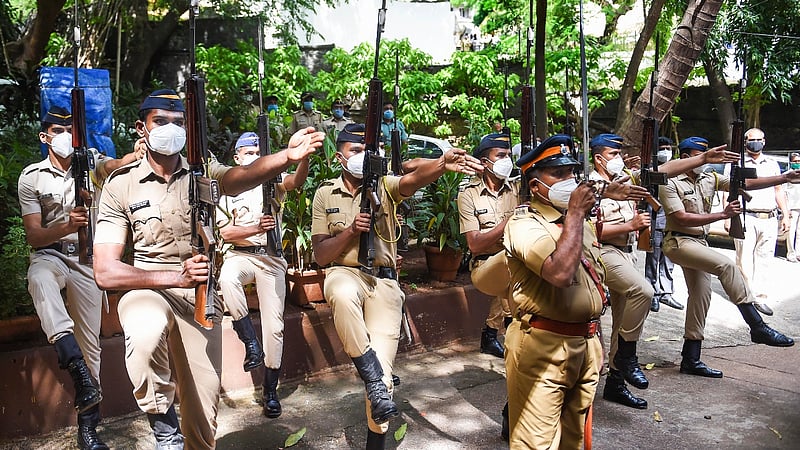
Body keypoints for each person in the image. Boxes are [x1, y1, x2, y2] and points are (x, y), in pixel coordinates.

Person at [92, 89, 324, 449]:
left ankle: (187, 436)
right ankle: (165, 429)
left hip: (200, 296)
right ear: (142, 128)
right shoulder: (120, 185)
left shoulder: (202, 173)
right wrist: (175, 276)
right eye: (161, 122)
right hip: (147, 288)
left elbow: (239, 176)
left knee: (203, 419)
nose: (171, 128)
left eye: (179, 122)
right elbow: (105, 272)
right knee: (145, 330)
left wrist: (287, 157)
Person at [311, 123, 481, 449]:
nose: (362, 156)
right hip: (346, 273)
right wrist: (349, 232)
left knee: (385, 385)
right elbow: (320, 255)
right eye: (354, 150)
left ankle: (376, 425)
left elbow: (412, 180)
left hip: (385, 282)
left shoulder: (384, 187)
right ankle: (372, 377)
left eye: (367, 150)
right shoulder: (324, 193)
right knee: (342, 293)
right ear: (339, 156)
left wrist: (441, 165)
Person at [503, 134, 649, 448]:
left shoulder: (578, 222)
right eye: (558, 174)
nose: (568, 180)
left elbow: (591, 283)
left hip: (584, 344)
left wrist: (592, 342)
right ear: (534, 186)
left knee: (573, 440)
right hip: (542, 345)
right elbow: (558, 272)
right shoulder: (524, 223)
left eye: (571, 172)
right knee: (536, 443)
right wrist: (575, 214)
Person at [18, 106, 142, 450]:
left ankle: (88, 428)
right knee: (39, 279)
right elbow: (34, 236)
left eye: (71, 130)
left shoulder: (89, 162)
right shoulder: (32, 177)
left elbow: (114, 165)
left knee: (93, 348)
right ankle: (70, 359)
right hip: (51, 254)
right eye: (59, 130)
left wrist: (138, 153)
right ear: (45, 137)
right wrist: (67, 226)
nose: (66, 137)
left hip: (87, 261)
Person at [589, 133, 736, 410]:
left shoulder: (626, 179)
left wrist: (703, 159)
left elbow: (661, 171)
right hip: (601, 251)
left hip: (626, 253)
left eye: (621, 153)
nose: (619, 159)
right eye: (613, 154)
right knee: (643, 290)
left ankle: (615, 383)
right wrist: (629, 226)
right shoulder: (592, 185)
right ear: (598, 158)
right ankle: (626, 359)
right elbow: (589, 229)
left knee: (623, 320)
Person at [658, 136, 796, 380]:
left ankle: (691, 358)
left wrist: (784, 178)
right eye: (698, 155)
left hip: (699, 242)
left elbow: (749, 182)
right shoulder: (670, 181)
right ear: (685, 156)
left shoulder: (709, 177)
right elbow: (680, 217)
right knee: (726, 265)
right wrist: (722, 214)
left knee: (701, 295)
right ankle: (757, 325)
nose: (703, 160)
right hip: (678, 241)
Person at [217, 131, 310, 418]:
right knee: (227, 279)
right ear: (237, 157)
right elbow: (225, 232)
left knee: (275, 327)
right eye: (248, 151)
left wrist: (303, 158)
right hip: (240, 255)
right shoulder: (229, 188)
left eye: (257, 149)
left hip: (270, 259)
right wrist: (255, 228)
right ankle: (249, 342)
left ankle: (270, 390)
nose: (254, 153)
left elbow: (294, 181)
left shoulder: (272, 181)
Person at [457, 133, 518, 358]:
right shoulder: (469, 195)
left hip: (514, 259)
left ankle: (493, 335)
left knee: (514, 267)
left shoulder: (519, 189)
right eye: (501, 155)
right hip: (484, 264)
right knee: (511, 268)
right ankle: (508, 332)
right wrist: (506, 224)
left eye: (509, 155)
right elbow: (474, 244)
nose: (507, 161)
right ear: (485, 162)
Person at [727, 128, 789, 316]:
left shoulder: (771, 163)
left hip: (768, 217)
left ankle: (760, 296)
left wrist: (785, 213)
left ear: (764, 141)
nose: (755, 142)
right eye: (751, 139)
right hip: (747, 216)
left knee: (765, 258)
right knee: (743, 258)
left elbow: (778, 190)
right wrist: (729, 216)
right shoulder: (737, 162)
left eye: (758, 139)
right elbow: (727, 190)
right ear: (745, 142)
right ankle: (746, 296)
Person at [646, 137, 682, 312]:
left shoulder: (676, 170)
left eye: (668, 148)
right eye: (662, 148)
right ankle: (652, 292)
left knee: (669, 259)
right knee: (653, 259)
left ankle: (666, 292)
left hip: (673, 221)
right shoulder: (648, 170)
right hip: (655, 219)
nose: (666, 151)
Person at [785, 152, 800, 262]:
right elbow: (783, 192)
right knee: (791, 231)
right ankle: (791, 253)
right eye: (795, 161)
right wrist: (786, 208)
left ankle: (798, 252)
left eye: (799, 161)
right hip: (792, 206)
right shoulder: (788, 175)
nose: (797, 163)